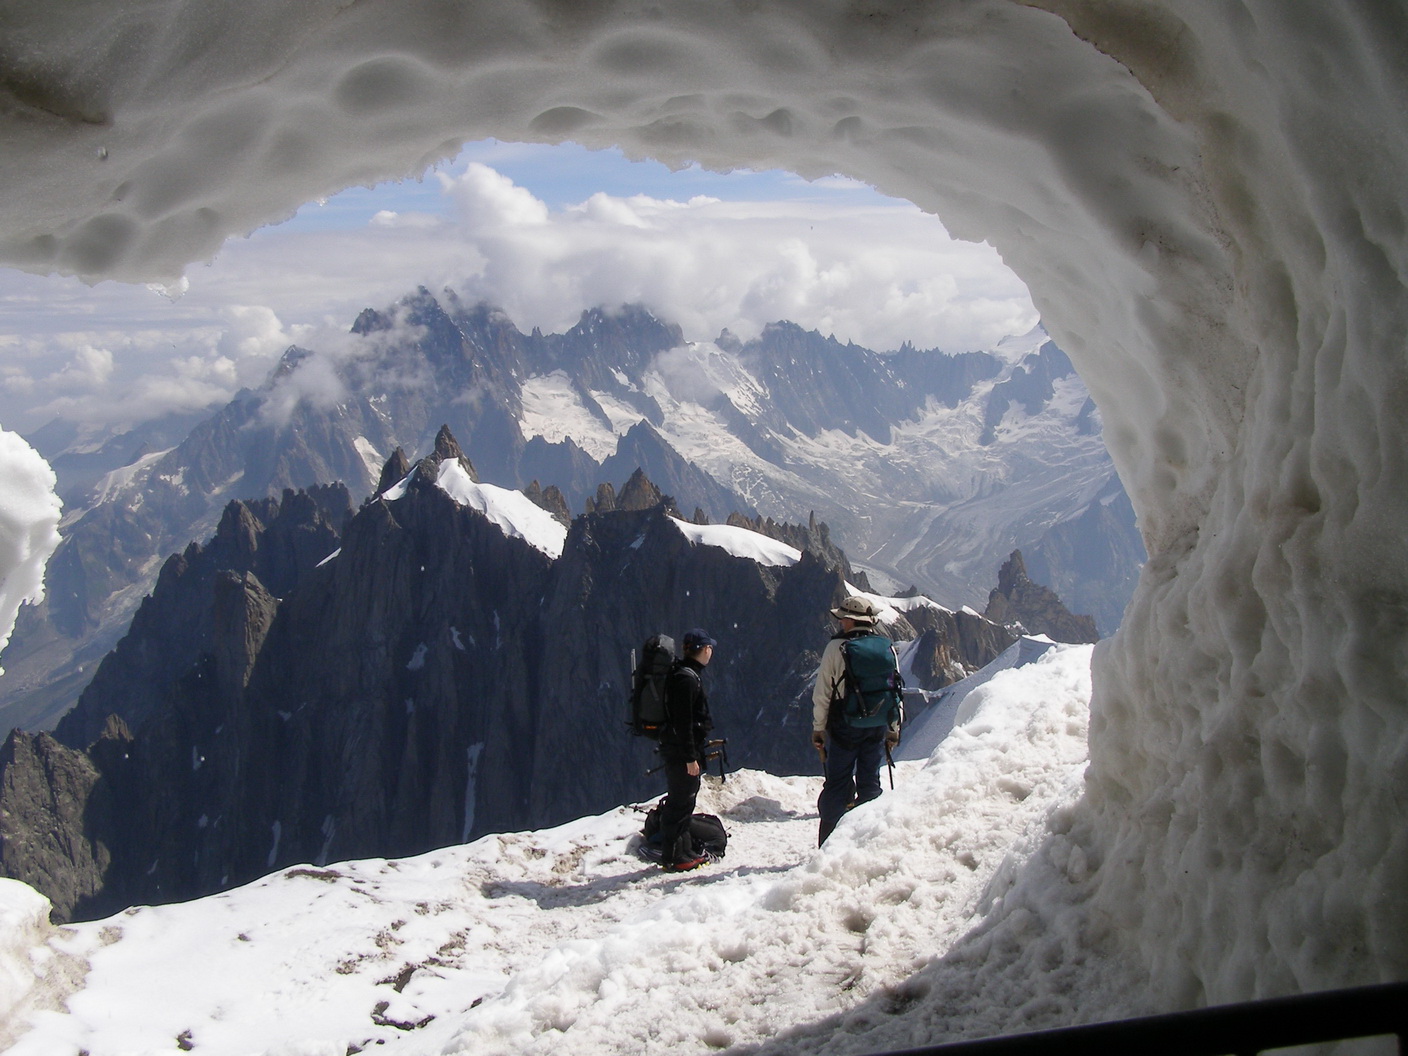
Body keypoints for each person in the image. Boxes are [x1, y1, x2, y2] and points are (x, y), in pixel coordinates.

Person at [812, 596, 901, 846]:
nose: (840, 623)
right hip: (877, 724)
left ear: (850, 621)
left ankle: (828, 843)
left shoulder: (836, 648)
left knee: (838, 782)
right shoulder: (886, 647)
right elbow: (895, 690)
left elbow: (822, 693)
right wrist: (893, 728)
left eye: (843, 619)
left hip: (844, 724)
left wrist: (818, 729)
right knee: (870, 780)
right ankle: (869, 841)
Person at [656, 627, 717, 871]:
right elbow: (684, 723)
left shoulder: (683, 674)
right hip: (681, 753)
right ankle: (673, 857)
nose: (711, 651)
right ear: (701, 650)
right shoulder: (687, 679)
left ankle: (682, 850)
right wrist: (690, 757)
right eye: (709, 647)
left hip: (676, 750)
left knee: (683, 801)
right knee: (680, 802)